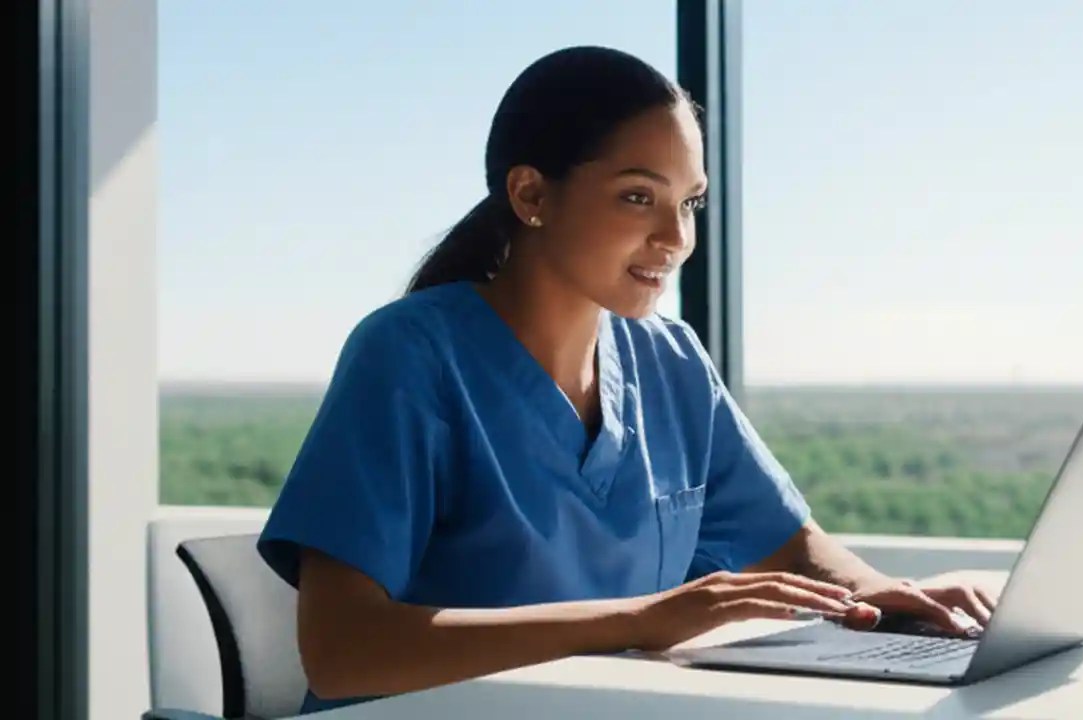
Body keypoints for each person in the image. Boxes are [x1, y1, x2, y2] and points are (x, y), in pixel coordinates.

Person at [257, 45, 997, 714]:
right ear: (531, 196)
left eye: (690, 203)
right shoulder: (409, 355)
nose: (676, 238)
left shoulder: (670, 362)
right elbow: (343, 652)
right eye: (639, 196)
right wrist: (641, 620)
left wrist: (876, 594)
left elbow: (789, 542)